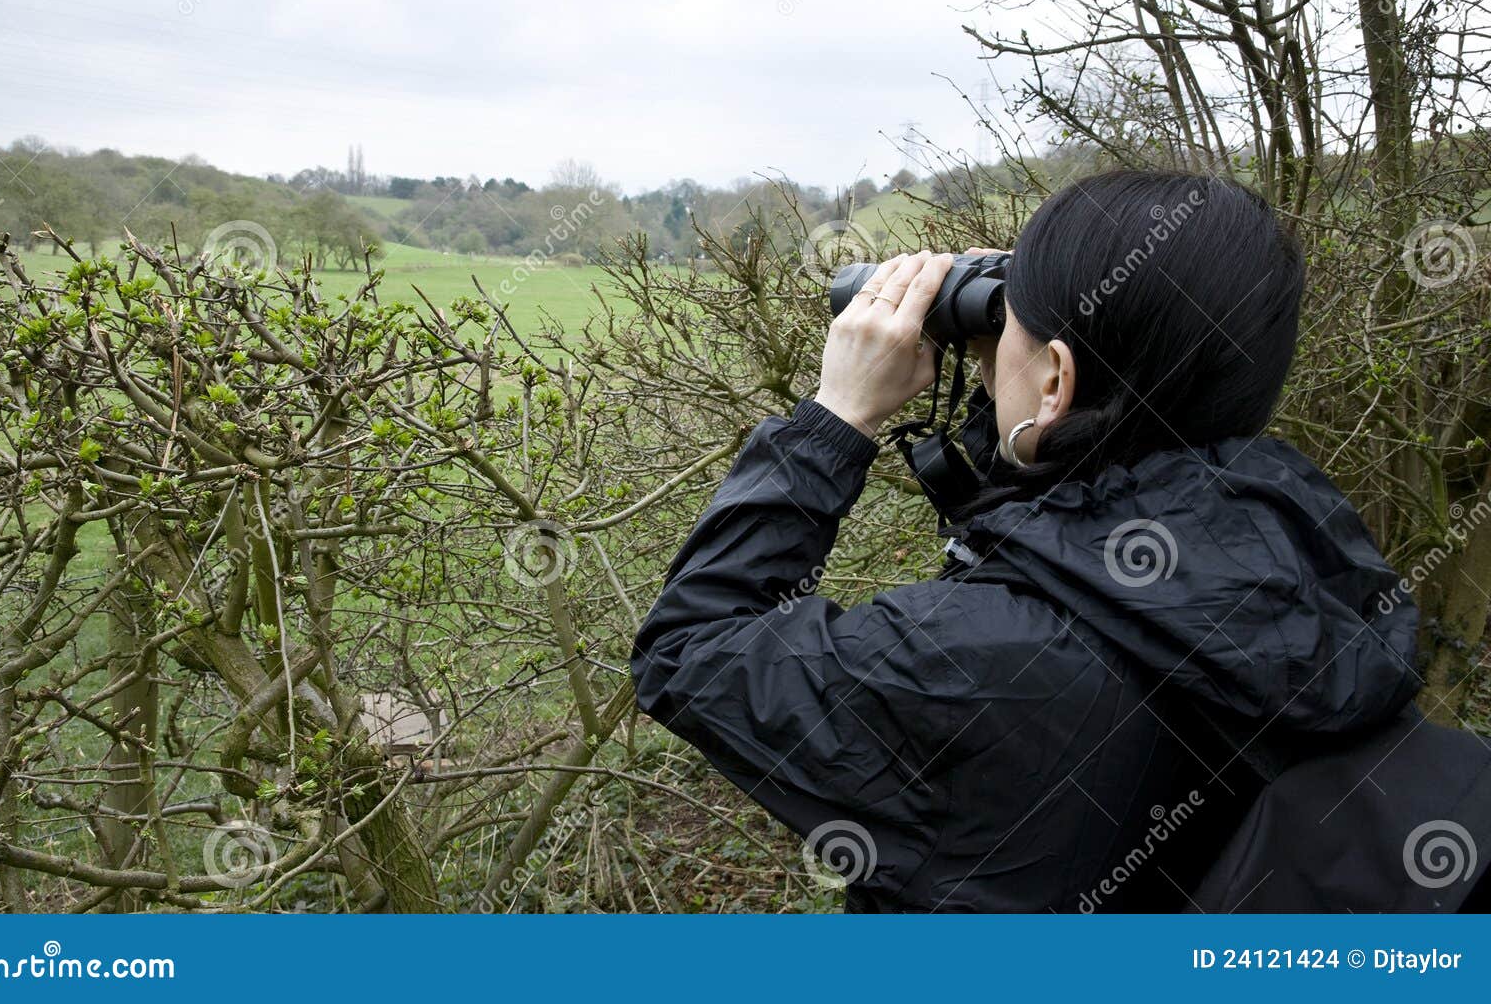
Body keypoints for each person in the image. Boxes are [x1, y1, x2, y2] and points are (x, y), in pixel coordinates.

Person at [631, 170, 1484, 912]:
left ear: (1055, 377)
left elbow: (690, 646)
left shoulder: (972, 660)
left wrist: (836, 417)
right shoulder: (1313, 564)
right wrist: (1033, 393)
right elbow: (1087, 516)